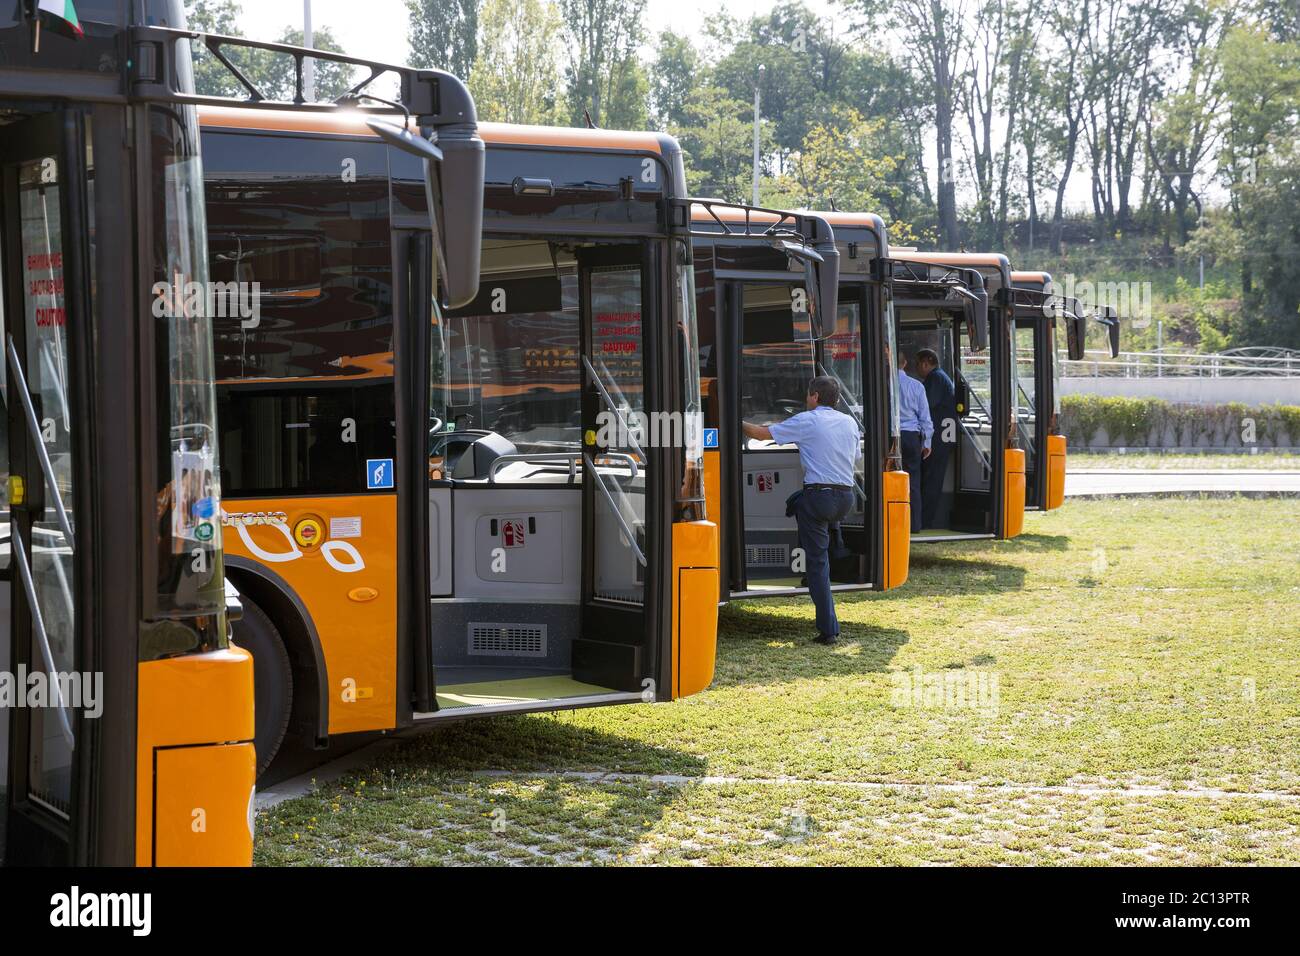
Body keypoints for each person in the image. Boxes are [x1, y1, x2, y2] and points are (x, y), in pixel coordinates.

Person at [743, 375, 859, 645]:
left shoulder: (808, 420)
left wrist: (729, 418)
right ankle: (835, 538)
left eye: (808, 395)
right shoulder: (849, 422)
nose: (807, 399)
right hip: (844, 498)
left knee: (817, 563)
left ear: (815, 397)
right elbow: (853, 458)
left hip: (820, 498)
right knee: (806, 507)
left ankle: (829, 630)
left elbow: (761, 434)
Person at [915, 348, 957, 529]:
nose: (917, 369)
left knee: (930, 481)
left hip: (938, 439)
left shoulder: (935, 379)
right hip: (942, 437)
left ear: (926, 362)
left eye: (918, 364)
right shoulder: (941, 377)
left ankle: (924, 521)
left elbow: (925, 405)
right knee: (931, 479)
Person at [896, 353, 932, 532]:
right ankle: (914, 525)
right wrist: (927, 442)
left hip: (890, 437)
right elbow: (925, 418)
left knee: (891, 479)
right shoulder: (917, 386)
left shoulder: (883, 384)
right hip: (911, 437)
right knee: (913, 481)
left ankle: (894, 522)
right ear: (905, 363)